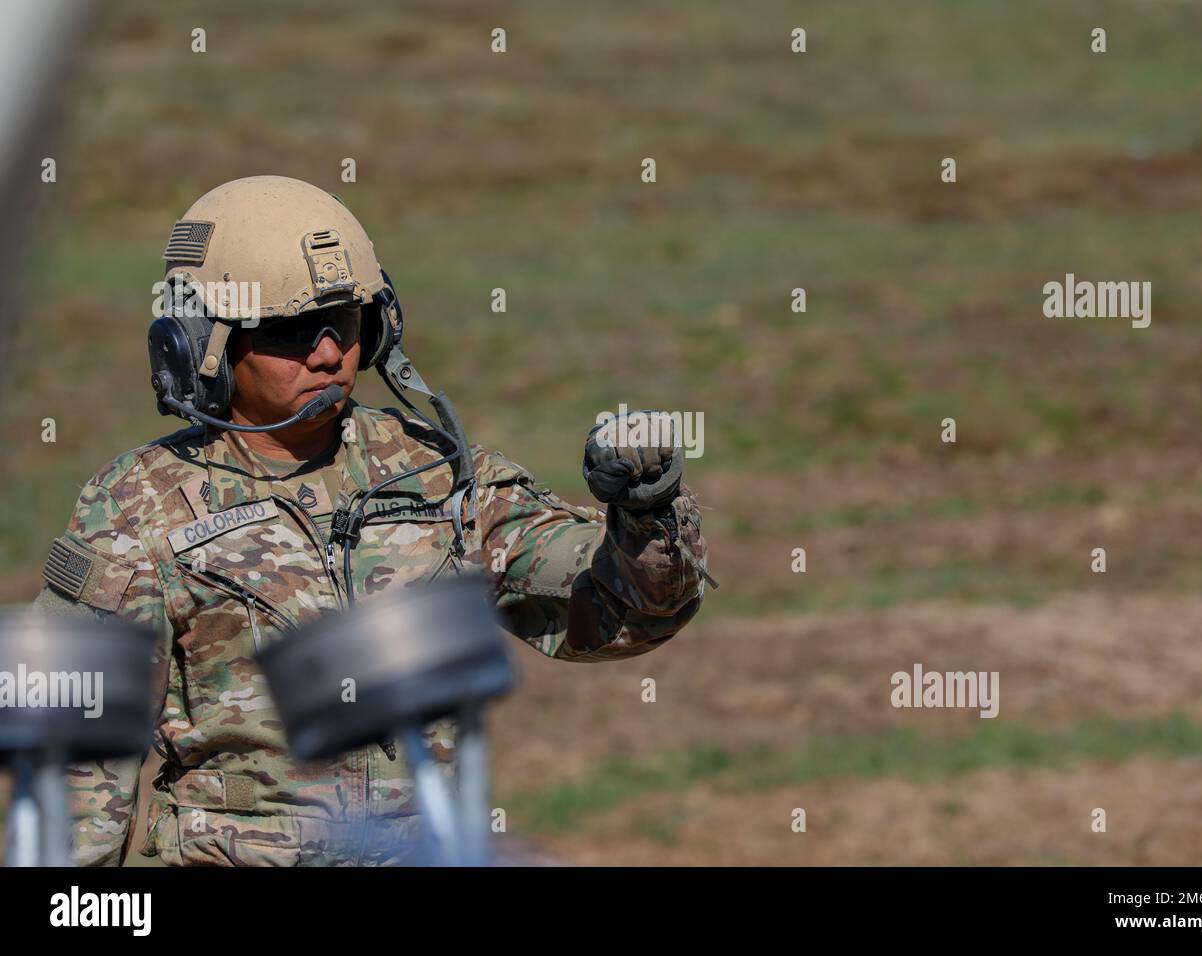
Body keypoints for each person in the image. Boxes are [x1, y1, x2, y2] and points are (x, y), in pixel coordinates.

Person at [32, 175, 713, 866]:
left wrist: (644, 510)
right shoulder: (136, 506)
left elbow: (615, 613)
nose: (329, 354)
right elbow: (80, 769)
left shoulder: (438, 472)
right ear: (201, 340)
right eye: (294, 331)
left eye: (346, 322)